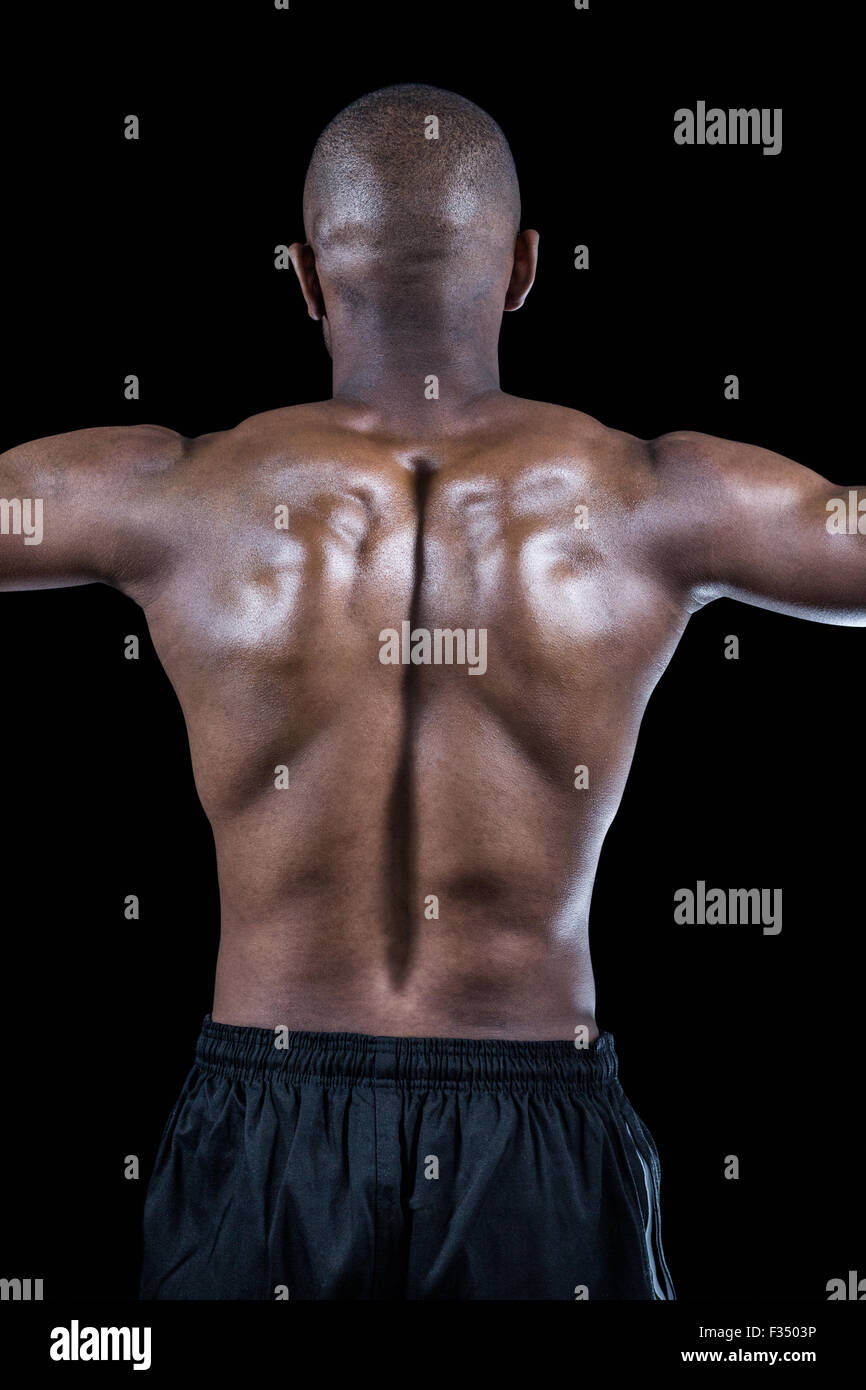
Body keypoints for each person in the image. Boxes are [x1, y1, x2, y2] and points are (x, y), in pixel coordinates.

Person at [1, 83, 862, 1300]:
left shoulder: (169, 498)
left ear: (303, 275)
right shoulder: (656, 497)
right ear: (521, 267)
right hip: (539, 1146)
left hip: (264, 1134)